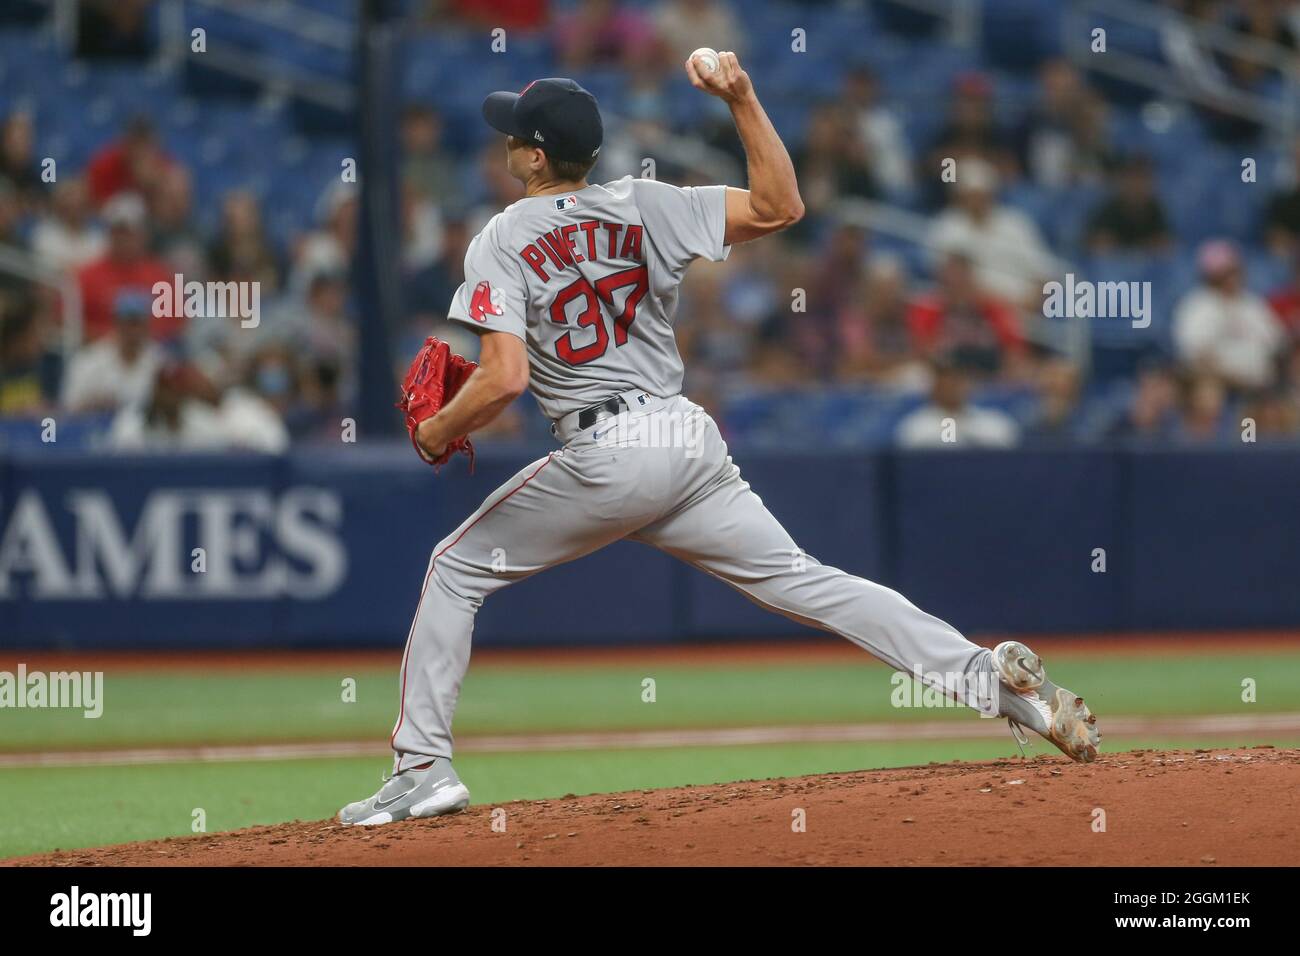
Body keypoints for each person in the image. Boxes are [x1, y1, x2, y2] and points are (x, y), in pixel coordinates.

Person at [337, 59, 1099, 828]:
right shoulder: (648, 201)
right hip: (684, 435)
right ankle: (993, 683)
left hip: (607, 449)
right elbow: (782, 205)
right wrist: (742, 98)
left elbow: (502, 380)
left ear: (537, 156)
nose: (505, 144)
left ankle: (423, 769)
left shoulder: (501, 235)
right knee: (809, 581)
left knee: (455, 568)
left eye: (515, 137)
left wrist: (436, 430)